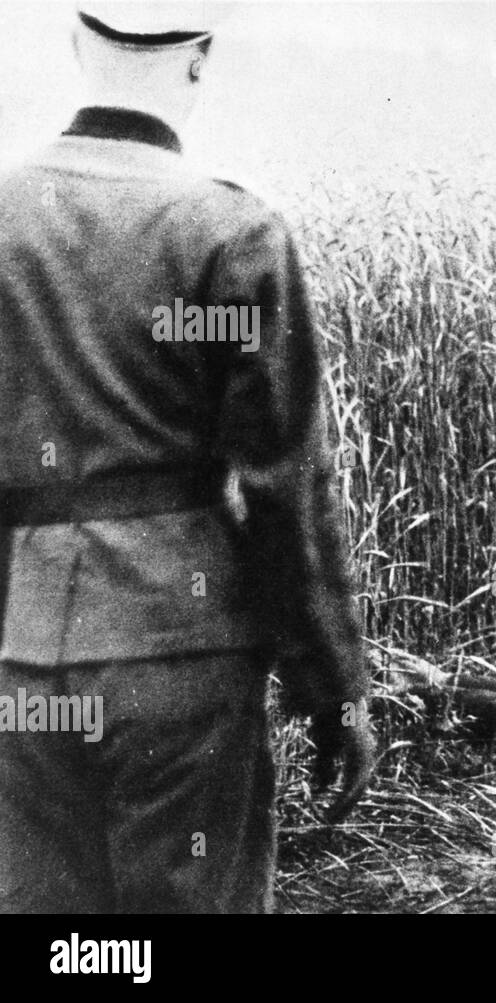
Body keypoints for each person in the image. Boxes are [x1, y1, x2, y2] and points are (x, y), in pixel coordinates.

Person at [0, 3, 374, 913]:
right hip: (181, 656)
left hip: (23, 658)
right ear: (200, 62)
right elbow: (283, 486)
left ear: (77, 46)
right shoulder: (230, 233)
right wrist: (335, 690)